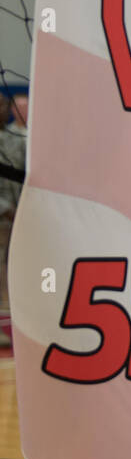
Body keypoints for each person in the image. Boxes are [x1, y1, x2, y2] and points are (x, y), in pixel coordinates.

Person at [0, 92, 27, 351]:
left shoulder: (15, 138)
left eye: (3, 104)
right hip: (5, 215)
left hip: (17, 218)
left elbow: (23, 175)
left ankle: (17, 325)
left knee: (15, 273)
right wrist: (5, 208)